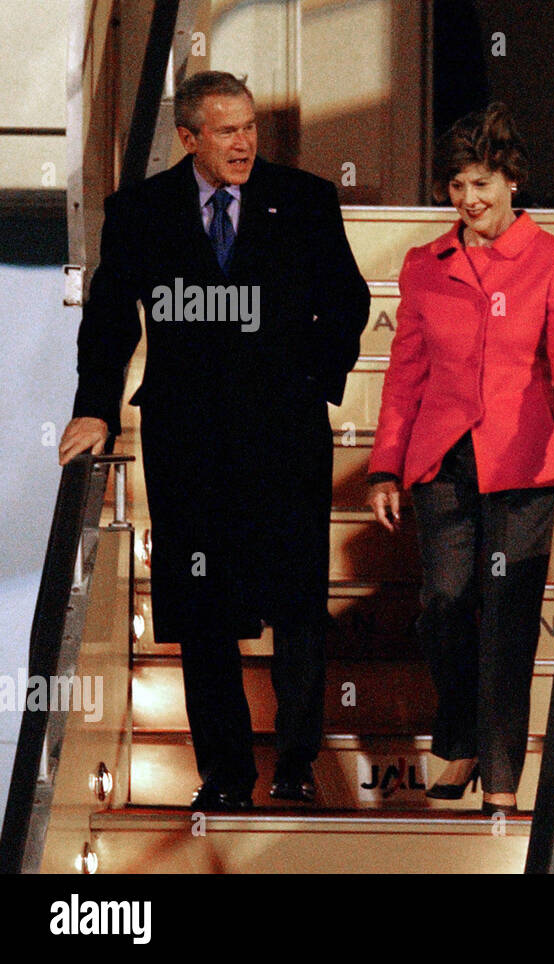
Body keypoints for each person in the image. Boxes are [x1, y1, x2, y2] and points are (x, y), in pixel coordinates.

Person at [59, 71, 370, 811]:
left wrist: (311, 379)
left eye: (250, 127)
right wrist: (95, 408)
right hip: (188, 443)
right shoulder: (139, 210)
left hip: (284, 435)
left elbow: (348, 301)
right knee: (202, 607)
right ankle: (226, 775)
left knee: (295, 603)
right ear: (189, 136)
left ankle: (295, 764)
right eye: (227, 131)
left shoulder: (303, 199)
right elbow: (109, 320)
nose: (245, 143)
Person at [366, 103, 554, 815]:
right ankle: (460, 735)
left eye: (480, 182)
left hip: (520, 465)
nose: (469, 200)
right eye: (456, 187)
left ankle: (501, 775)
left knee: (509, 614)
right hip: (443, 462)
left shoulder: (553, 260)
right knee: (446, 603)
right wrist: (386, 464)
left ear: (511, 181)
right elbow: (404, 373)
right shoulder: (424, 267)